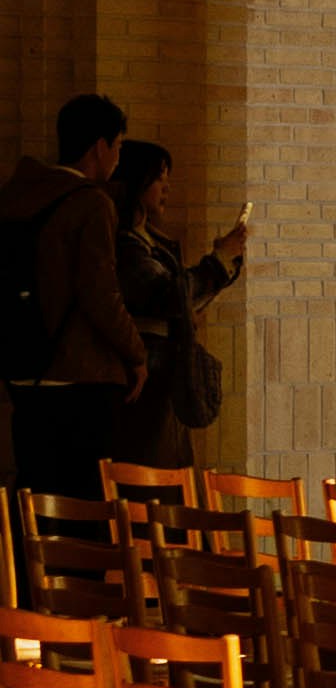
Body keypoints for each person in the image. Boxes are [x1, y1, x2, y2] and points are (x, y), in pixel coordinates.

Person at [0, 90, 145, 497]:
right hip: (79, 373)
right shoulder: (91, 203)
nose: (117, 158)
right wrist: (135, 354)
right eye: (117, 146)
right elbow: (100, 292)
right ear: (99, 147)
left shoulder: (14, 195)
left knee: (34, 493)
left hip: (22, 367)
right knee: (85, 499)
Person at [107, 139, 245, 468]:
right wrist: (219, 260)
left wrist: (225, 261)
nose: (166, 188)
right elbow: (168, 295)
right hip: (146, 381)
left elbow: (183, 298)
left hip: (164, 379)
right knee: (151, 478)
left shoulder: (150, 242)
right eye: (159, 179)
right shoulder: (127, 245)